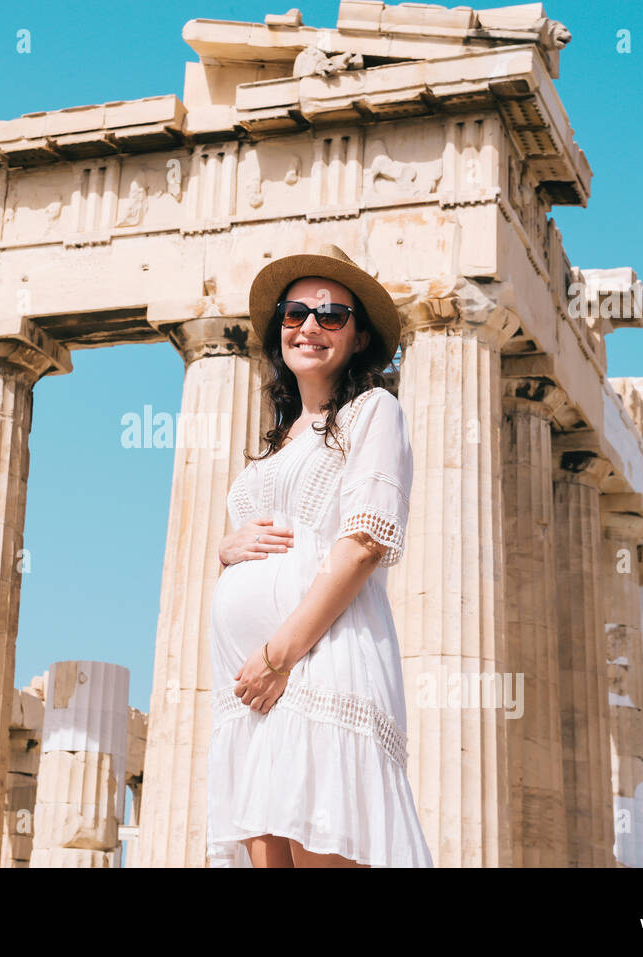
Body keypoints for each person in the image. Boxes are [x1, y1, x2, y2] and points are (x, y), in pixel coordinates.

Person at [206, 243, 434, 868]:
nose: (309, 326)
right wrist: (225, 554)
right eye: (295, 312)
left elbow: (363, 545)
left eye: (332, 315)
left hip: (316, 665)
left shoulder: (373, 411)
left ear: (360, 337)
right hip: (249, 691)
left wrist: (279, 657)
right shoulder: (277, 439)